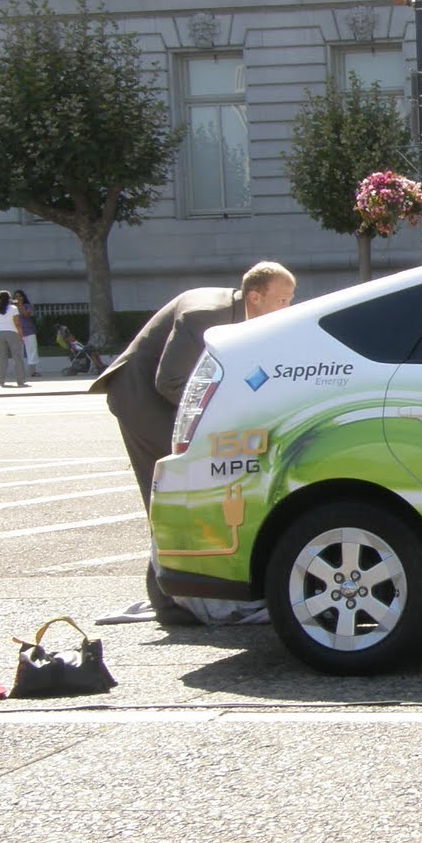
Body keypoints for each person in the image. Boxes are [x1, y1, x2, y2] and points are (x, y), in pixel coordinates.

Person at [92, 261, 296, 624]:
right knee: (169, 493)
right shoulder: (205, 316)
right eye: (281, 299)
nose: (287, 308)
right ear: (255, 296)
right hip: (141, 400)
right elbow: (170, 382)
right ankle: (168, 602)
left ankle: (182, 591)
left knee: (180, 491)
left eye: (291, 299)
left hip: (169, 400)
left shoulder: (242, 318)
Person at [0, 289, 29, 387]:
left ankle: (0, 380)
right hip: (12, 333)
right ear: (9, 298)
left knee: (1, 358)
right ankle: (20, 381)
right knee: (17, 357)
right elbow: (17, 323)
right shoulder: (13, 308)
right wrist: (21, 336)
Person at [12, 290, 40, 377]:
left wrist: (20, 305)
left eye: (20, 296)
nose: (18, 298)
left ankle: (33, 371)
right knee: (17, 352)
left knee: (32, 351)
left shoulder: (28, 306)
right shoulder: (11, 308)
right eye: (16, 296)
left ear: (23, 297)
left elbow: (26, 315)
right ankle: (19, 371)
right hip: (16, 332)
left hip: (29, 331)